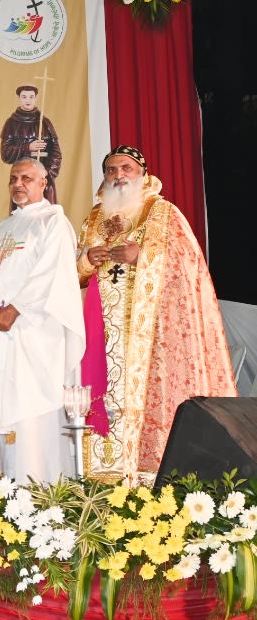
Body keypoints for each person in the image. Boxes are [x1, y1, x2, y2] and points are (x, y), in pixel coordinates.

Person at [76, 146, 235, 483]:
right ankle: (106, 479)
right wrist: (89, 257)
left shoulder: (164, 213)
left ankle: (149, 477)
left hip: (150, 337)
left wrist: (143, 257)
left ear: (143, 174)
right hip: (100, 331)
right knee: (102, 400)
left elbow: (187, 268)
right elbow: (75, 273)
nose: (118, 175)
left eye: (126, 168)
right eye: (111, 169)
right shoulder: (94, 218)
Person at [0, 159, 85, 482]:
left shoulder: (52, 223)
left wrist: (13, 311)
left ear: (44, 183)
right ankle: (6, 495)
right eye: (13, 178)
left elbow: (49, 276)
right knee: (1, 411)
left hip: (34, 335)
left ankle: (40, 491)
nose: (18, 184)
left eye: (27, 178)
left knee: (32, 414)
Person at [0, 85, 61, 206]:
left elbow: (56, 152)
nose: (28, 100)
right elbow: (5, 153)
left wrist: (47, 172)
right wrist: (28, 147)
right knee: (22, 216)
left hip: (43, 181)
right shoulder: (11, 123)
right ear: (19, 98)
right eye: (24, 97)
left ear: (35, 99)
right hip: (22, 181)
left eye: (31, 97)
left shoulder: (44, 122)